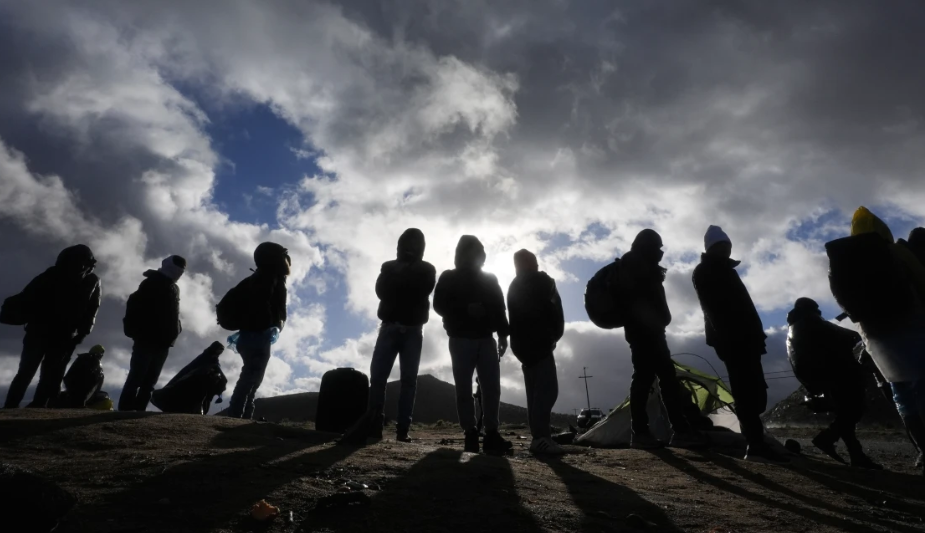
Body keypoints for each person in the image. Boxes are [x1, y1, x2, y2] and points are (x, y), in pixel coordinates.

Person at [839, 208, 925, 475]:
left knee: (902, 396)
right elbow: (922, 282)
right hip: (913, 329)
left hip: (876, 340)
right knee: (923, 387)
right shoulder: (897, 252)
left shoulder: (845, 261)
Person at [693, 226, 787, 463]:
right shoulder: (705, 271)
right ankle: (755, 445)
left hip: (747, 339)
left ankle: (756, 442)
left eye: (727, 245)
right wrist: (728, 339)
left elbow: (745, 307)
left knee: (755, 390)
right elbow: (713, 309)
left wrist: (757, 336)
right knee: (746, 391)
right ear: (712, 248)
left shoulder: (726, 271)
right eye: (720, 245)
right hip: (733, 341)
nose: (726, 249)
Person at [341, 229, 436, 444]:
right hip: (390, 327)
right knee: (378, 378)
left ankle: (403, 430)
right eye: (406, 242)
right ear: (400, 244)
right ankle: (374, 425)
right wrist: (405, 282)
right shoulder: (388, 266)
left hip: (412, 329)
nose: (410, 246)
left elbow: (422, 290)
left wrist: (400, 282)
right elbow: (381, 291)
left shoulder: (427, 268)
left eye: (415, 243)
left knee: (408, 381)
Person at [619, 229, 706, 450]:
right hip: (648, 333)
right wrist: (656, 322)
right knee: (662, 379)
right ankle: (677, 431)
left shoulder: (635, 265)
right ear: (647, 247)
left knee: (646, 379)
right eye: (657, 247)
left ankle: (643, 432)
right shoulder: (640, 268)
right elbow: (644, 302)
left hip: (645, 332)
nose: (660, 252)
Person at [434, 235, 512, 454]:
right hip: (461, 338)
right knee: (465, 388)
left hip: (486, 338)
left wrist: (504, 335)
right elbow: (439, 304)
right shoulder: (449, 277)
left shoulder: (490, 278)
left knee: (491, 388)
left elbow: (499, 307)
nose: (476, 256)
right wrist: (466, 309)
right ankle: (471, 433)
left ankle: (490, 433)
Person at [786, 297, 881, 469]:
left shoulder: (794, 328)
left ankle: (856, 454)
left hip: (820, 377)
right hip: (837, 373)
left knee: (845, 413)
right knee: (853, 410)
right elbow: (847, 335)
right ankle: (828, 438)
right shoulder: (810, 321)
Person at [3, 245, 101, 408]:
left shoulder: (86, 280)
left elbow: (92, 310)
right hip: (48, 331)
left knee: (41, 373)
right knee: (36, 372)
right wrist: (82, 333)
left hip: (53, 332)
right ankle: (23, 406)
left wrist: (82, 333)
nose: (79, 266)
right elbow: (92, 310)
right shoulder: (57, 275)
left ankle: (27, 407)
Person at [507, 249, 566, 455]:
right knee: (548, 391)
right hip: (540, 344)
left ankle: (538, 438)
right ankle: (542, 437)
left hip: (522, 347)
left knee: (534, 393)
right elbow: (554, 312)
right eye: (533, 260)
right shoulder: (543, 281)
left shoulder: (513, 285)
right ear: (531, 262)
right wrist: (553, 337)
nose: (536, 263)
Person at [226, 242, 290, 419]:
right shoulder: (267, 278)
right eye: (283, 257)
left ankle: (242, 415)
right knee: (251, 377)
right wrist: (272, 322)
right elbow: (263, 306)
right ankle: (236, 415)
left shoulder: (265, 277)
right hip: (257, 335)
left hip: (252, 335)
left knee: (253, 377)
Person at [119, 255, 186, 412]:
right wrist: (135, 331)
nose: (180, 272)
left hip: (164, 342)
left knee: (150, 380)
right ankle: (125, 410)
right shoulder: (151, 283)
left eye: (182, 270)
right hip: (146, 339)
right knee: (137, 377)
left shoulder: (173, 287)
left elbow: (173, 313)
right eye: (178, 268)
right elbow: (135, 306)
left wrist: (176, 329)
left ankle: (138, 411)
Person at [151, 341, 227, 415]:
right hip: (193, 382)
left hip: (202, 385)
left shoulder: (214, 361)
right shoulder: (206, 357)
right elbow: (194, 370)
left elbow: (219, 376)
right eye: (219, 350)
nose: (220, 352)